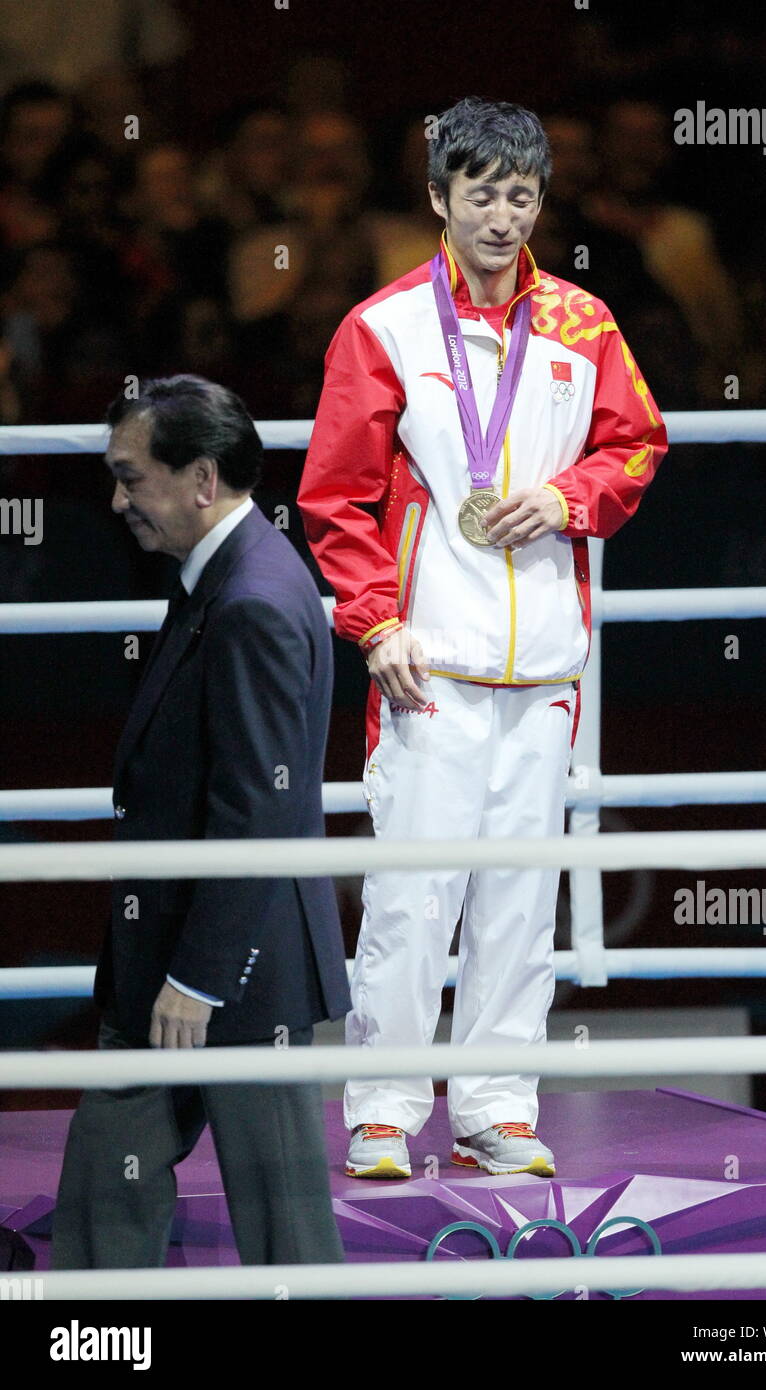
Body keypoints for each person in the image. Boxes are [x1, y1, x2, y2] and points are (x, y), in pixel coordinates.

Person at [298, 97, 667, 1181]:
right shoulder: (381, 329)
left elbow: (638, 443)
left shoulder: (583, 324)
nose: (500, 217)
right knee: (415, 896)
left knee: (516, 899)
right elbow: (334, 500)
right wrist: (374, 626)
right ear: (436, 199)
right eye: (478, 194)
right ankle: (380, 1110)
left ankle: (496, 1107)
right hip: (426, 665)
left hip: (545, 665)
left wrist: (568, 499)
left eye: (518, 194)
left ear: (539, 200)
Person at [51, 374, 350, 1269]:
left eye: (132, 479)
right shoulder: (220, 573)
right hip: (176, 962)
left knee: (285, 1229)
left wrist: (203, 978)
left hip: (231, 969)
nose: (118, 501)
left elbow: (259, 803)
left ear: (202, 480)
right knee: (110, 1181)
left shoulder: (250, 597)